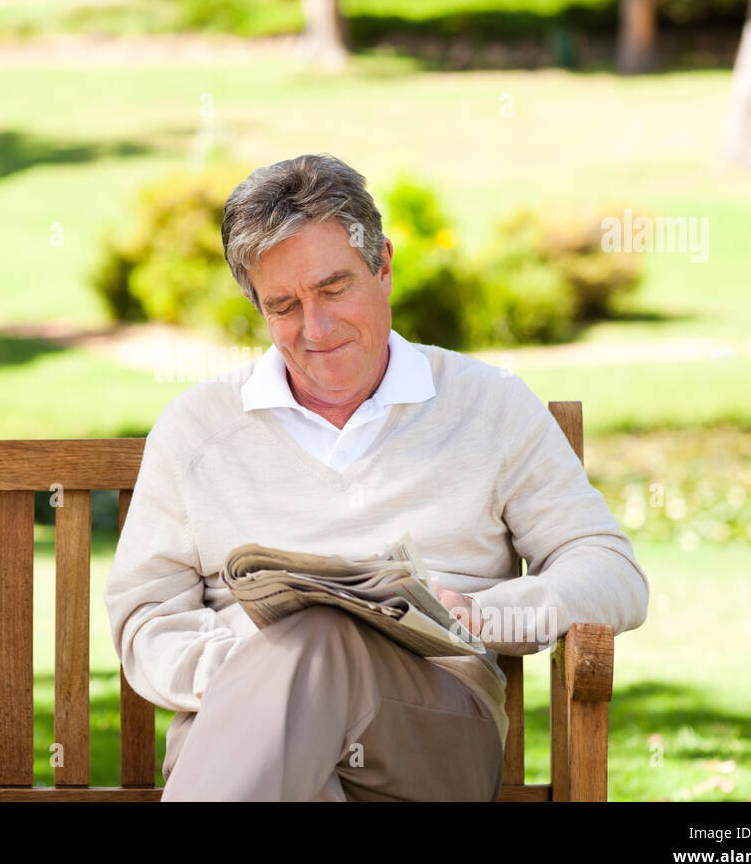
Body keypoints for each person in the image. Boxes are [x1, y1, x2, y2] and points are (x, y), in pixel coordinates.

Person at [103, 153, 649, 801]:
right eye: (284, 306)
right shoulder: (197, 427)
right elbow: (145, 615)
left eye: (334, 289)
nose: (316, 329)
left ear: (383, 265)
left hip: (431, 733)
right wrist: (258, 675)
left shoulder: (488, 406)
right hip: (243, 737)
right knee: (303, 687)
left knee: (322, 639)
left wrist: (484, 617)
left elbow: (611, 573)